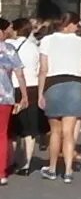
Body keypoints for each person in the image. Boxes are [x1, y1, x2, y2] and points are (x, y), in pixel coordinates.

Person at [37, 11, 81, 184]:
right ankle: (68, 171)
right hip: (75, 84)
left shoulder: (47, 41)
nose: (77, 28)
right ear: (69, 24)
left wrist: (40, 93)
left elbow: (43, 69)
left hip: (53, 84)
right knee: (69, 132)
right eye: (76, 24)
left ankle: (53, 168)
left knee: (55, 131)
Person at [10, 18, 42, 175]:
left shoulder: (9, 46)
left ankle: (13, 159)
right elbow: (40, 68)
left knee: (13, 127)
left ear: (15, 30)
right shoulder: (34, 47)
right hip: (32, 87)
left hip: (13, 87)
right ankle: (27, 163)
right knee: (30, 128)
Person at [0, 18, 20, 186]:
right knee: (2, 135)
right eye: (8, 28)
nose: (10, 31)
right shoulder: (9, 49)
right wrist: (25, 95)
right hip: (5, 97)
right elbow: (19, 73)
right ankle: (1, 173)